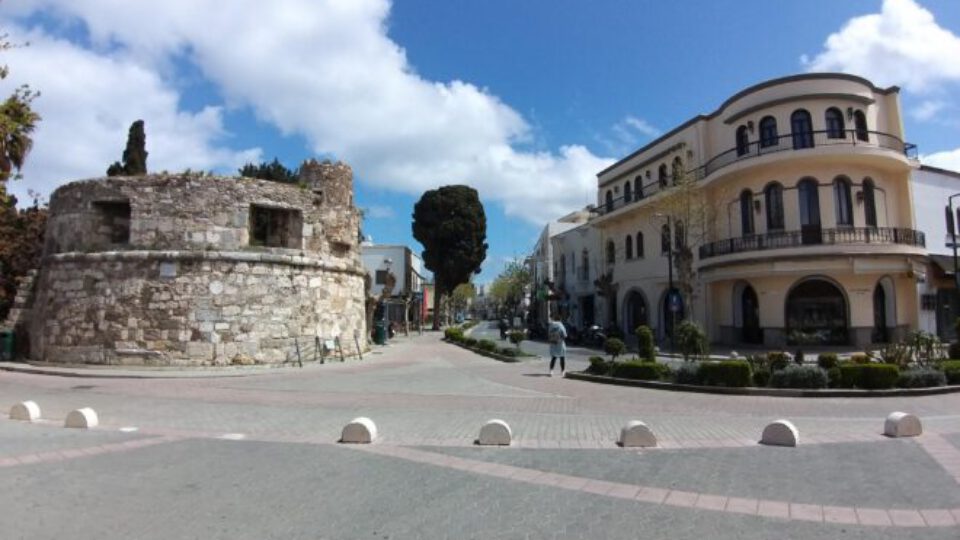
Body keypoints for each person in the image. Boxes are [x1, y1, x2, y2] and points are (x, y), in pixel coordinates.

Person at [547, 313, 567, 377]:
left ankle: (551, 371)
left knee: (553, 357)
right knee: (562, 357)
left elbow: (549, 334)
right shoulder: (561, 325)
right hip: (560, 343)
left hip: (553, 343)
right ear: (560, 319)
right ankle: (562, 371)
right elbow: (564, 334)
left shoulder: (551, 325)